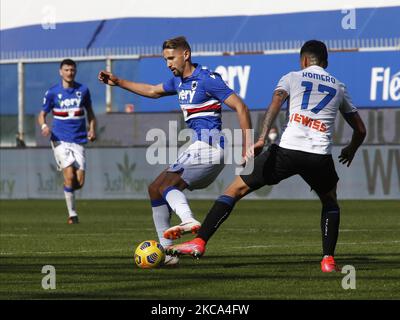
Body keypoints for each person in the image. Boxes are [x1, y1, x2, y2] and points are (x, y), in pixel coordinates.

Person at [166, 40, 367, 273]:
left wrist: (261, 138)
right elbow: (360, 130)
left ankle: (199, 242)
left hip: (287, 150)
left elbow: (275, 104)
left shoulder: (292, 77)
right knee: (330, 203)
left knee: (234, 191)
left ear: (303, 60)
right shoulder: (339, 86)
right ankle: (328, 260)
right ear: (326, 62)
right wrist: (351, 149)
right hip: (319, 155)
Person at [98, 36, 252, 266]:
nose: (168, 63)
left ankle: (188, 220)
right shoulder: (178, 82)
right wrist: (118, 81)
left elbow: (240, 106)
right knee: (155, 189)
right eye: (165, 59)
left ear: (186, 54)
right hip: (199, 146)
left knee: (168, 186)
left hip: (210, 145)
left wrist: (247, 144)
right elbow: (152, 90)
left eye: (171, 58)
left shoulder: (207, 79)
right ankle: (168, 255)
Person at [38, 59, 97, 224]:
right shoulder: (52, 92)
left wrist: (92, 129)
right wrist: (44, 126)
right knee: (70, 175)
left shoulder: (83, 90)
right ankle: (72, 215)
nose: (69, 72)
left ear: (75, 71)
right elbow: (42, 114)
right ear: (60, 72)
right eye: (66, 70)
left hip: (78, 140)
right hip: (59, 139)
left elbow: (90, 113)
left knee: (79, 182)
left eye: (72, 70)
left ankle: (67, 187)